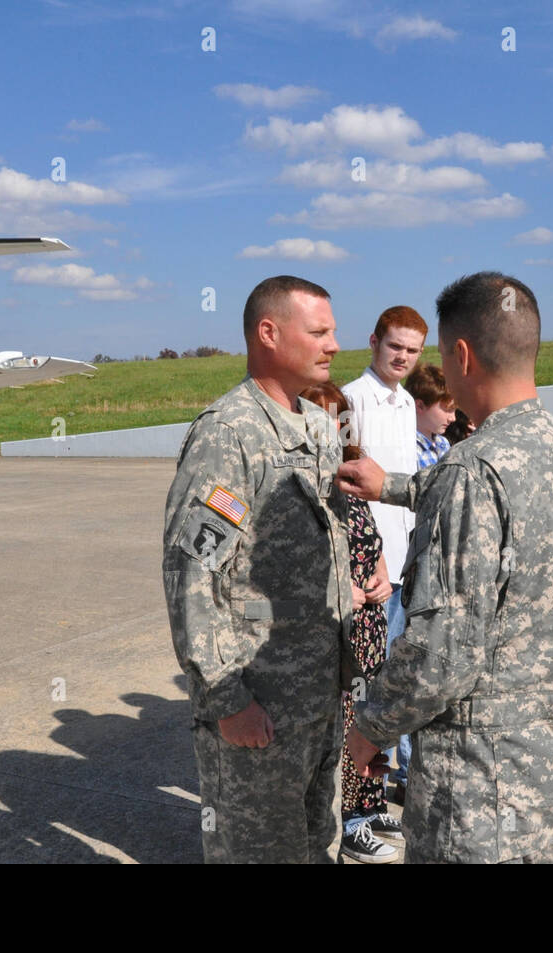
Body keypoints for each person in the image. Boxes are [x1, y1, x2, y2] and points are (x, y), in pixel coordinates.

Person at [337, 271, 553, 864]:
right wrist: (389, 486)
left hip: (481, 799)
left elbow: (442, 655)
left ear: (461, 355)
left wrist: (369, 729)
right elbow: (500, 506)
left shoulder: (472, 471)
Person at [162, 275, 354, 864]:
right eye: (318, 332)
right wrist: (225, 699)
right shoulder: (231, 436)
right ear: (269, 334)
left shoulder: (319, 428)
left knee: (314, 841)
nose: (333, 345)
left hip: (319, 691)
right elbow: (194, 576)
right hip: (261, 699)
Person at [300, 381, 402, 862]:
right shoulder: (298, 482)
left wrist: (381, 577)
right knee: (342, 730)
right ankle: (349, 827)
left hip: (370, 625)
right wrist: (347, 592)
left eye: (338, 416)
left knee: (371, 720)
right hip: (333, 630)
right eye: (321, 417)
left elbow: (370, 540)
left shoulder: (350, 475)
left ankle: (371, 805)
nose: (333, 426)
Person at [341, 306, 427, 800]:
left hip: (406, 561)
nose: (403, 357)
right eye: (395, 346)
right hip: (373, 569)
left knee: (403, 679)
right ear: (374, 341)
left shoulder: (409, 403)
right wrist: (366, 561)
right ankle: (363, 800)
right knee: (370, 686)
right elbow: (350, 483)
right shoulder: (352, 399)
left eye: (413, 350)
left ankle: (399, 779)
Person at [406, 362, 455, 469]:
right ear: (419, 406)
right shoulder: (407, 451)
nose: (453, 418)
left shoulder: (443, 443)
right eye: (447, 409)